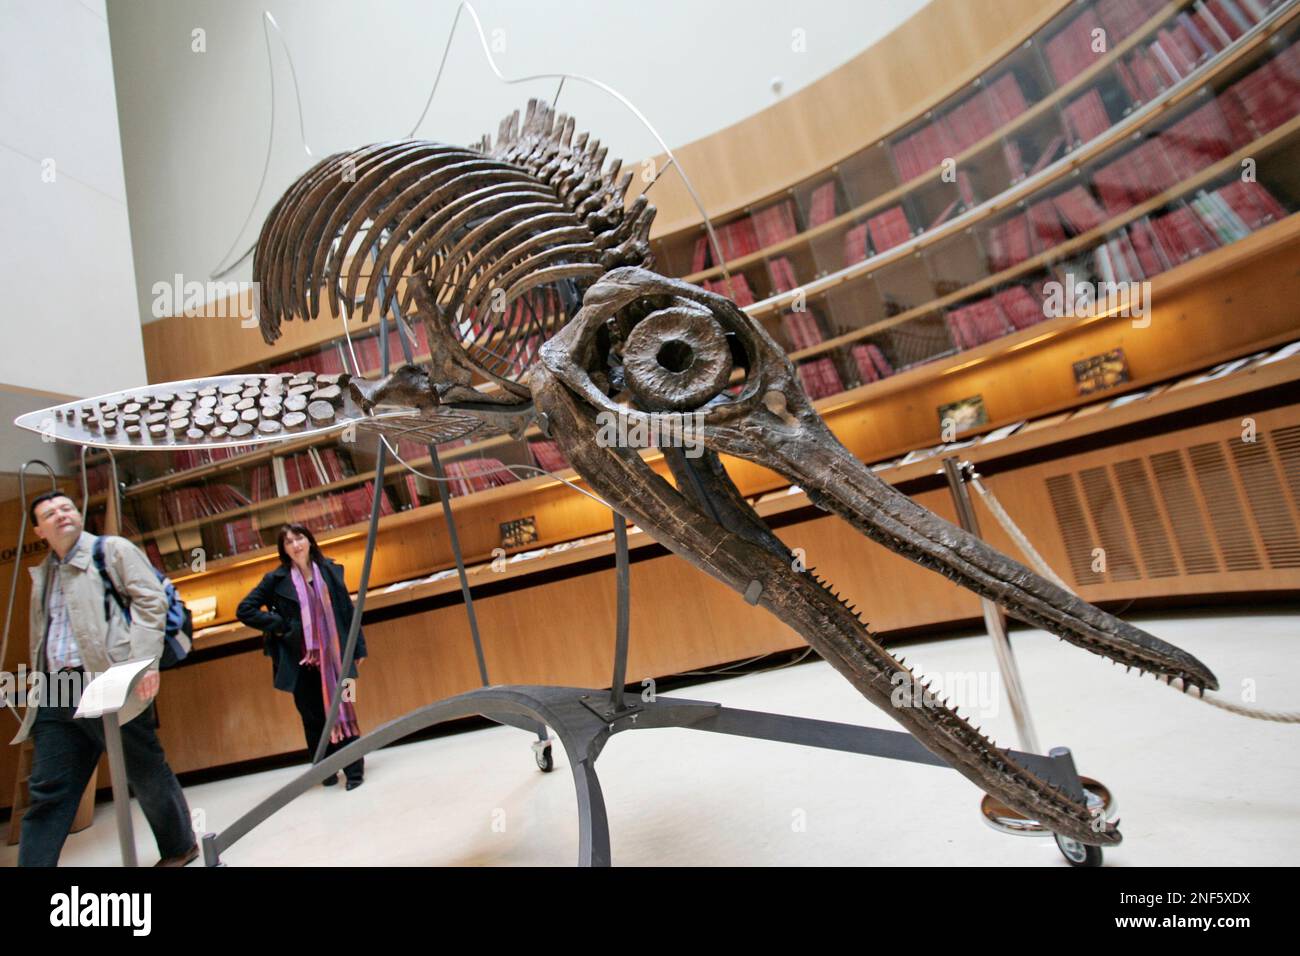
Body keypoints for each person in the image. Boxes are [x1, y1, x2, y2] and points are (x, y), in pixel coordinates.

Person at [16, 490, 197, 867]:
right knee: (48, 789)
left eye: (67, 508)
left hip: (107, 679)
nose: (62, 514)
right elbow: (43, 633)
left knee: (143, 769)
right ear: (39, 529)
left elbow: (151, 602)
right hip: (55, 688)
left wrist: (144, 665)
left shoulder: (111, 550)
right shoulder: (43, 572)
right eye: (51, 513)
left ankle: (180, 845)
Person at [237, 524, 367, 789]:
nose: (296, 545)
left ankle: (354, 772)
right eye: (288, 542)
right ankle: (325, 771)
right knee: (313, 719)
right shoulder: (276, 579)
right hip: (302, 662)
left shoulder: (330, 570)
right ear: (283, 549)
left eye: (299, 539)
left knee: (344, 707)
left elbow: (346, 611)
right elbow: (245, 609)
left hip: (337, 659)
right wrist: (283, 626)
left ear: (309, 541)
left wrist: (358, 649)